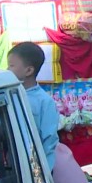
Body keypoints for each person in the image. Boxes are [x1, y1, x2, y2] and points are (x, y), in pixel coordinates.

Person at [8, 42, 60, 170]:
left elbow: (48, 141)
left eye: (11, 66)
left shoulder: (44, 102)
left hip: (34, 169)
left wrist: (42, 173)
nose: (7, 70)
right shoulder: (9, 95)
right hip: (11, 163)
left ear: (29, 70)